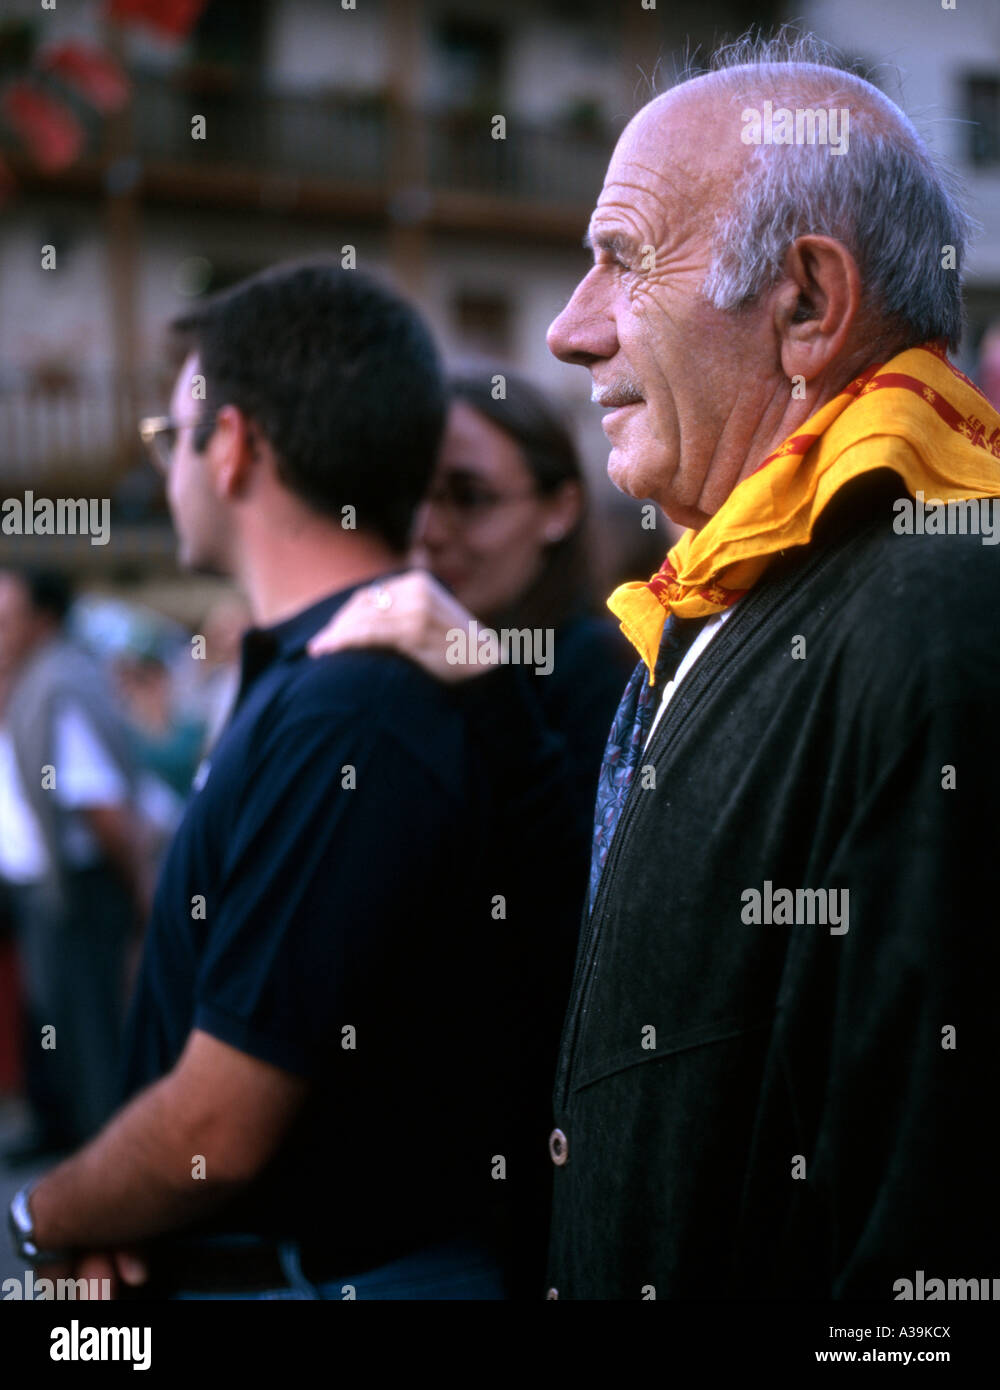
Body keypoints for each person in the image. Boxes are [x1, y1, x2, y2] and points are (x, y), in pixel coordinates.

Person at [317, 31, 1000, 1299]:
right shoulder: (736, 589)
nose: (570, 332)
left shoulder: (938, 608)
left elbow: (933, 1236)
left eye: (621, 261)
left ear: (805, 303)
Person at [7, 260, 579, 1300]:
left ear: (231, 446)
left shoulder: (349, 709)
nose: (165, 464)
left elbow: (218, 1129)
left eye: (168, 436)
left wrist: (42, 1214)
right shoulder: (315, 682)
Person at [411, 370, 635, 821]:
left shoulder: (595, 666)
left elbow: (583, 872)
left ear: (560, 509)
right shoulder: (399, 658)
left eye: (470, 498)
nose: (428, 531)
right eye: (415, 497)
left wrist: (492, 693)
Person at [0, 568, 146, 1164]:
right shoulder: (31, 680)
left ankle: (107, 1160)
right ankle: (61, 1132)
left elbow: (100, 804)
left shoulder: (60, 685)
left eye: (5, 618)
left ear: (44, 621)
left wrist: (142, 891)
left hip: (79, 891)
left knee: (85, 1028)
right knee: (50, 1017)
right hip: (40, 887)